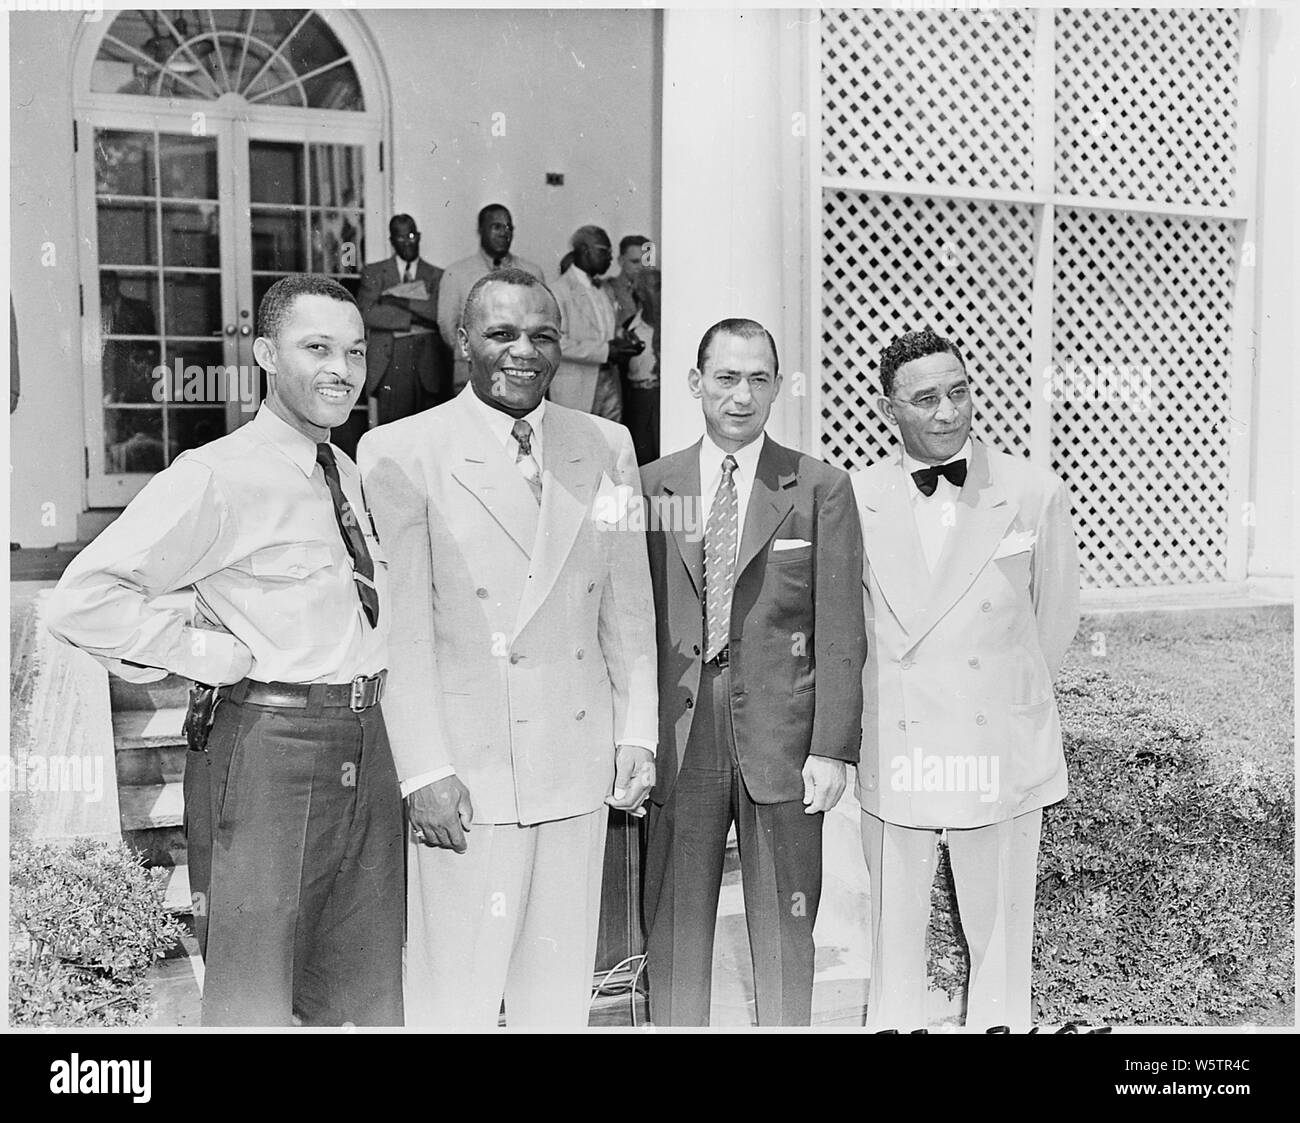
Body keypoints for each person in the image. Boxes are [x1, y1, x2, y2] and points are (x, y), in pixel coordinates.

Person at [46, 274, 404, 1027]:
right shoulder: (217, 474)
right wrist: (200, 653)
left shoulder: (344, 470)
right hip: (270, 746)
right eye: (317, 348)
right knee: (254, 990)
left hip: (366, 738)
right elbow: (84, 598)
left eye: (354, 351)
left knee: (363, 988)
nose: (341, 369)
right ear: (266, 355)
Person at [358, 267, 658, 1028]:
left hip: (575, 763)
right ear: (463, 341)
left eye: (542, 335)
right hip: (468, 773)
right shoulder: (401, 449)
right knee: (453, 996)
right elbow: (403, 633)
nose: (524, 351)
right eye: (501, 333)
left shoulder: (607, 445)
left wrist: (637, 733)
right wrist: (425, 769)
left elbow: (627, 604)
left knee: (555, 998)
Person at [851, 327, 1081, 1032]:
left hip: (995, 740)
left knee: (1002, 934)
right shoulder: (856, 496)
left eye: (958, 391)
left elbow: (1054, 619)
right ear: (889, 409)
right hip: (901, 735)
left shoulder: (1031, 491)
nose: (948, 411)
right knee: (893, 930)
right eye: (925, 399)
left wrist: (1008, 703)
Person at [639, 318, 867, 1026]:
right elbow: (625, 620)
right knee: (674, 930)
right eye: (727, 377)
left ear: (778, 387)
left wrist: (832, 747)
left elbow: (841, 630)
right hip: (680, 732)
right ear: (695, 382)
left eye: (758, 379)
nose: (742, 395)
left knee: (784, 932)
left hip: (782, 736)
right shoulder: (650, 487)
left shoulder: (819, 487)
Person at [437, 204, 546, 392]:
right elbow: (447, 325)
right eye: (497, 227)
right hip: (473, 371)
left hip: (522, 369)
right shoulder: (457, 273)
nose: (504, 233)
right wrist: (476, 354)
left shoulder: (532, 272)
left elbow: (541, 321)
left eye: (508, 227)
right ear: (481, 230)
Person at [357, 214, 453, 424]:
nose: (407, 242)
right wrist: (416, 317)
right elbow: (367, 314)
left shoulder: (437, 275)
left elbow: (437, 314)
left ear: (419, 236)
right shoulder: (374, 272)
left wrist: (397, 299)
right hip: (391, 362)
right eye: (400, 238)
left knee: (429, 430)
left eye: (411, 236)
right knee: (393, 432)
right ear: (392, 241)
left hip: (429, 364)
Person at [549, 225, 644, 421]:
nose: (610, 258)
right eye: (604, 251)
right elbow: (557, 342)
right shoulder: (558, 290)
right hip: (576, 390)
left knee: (611, 437)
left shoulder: (603, 288)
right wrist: (606, 351)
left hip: (610, 382)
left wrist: (623, 337)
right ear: (585, 250)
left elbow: (605, 329)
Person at [605, 235, 661, 465]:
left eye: (647, 262)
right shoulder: (607, 290)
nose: (642, 268)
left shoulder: (660, 290)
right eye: (636, 262)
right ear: (621, 261)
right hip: (627, 388)